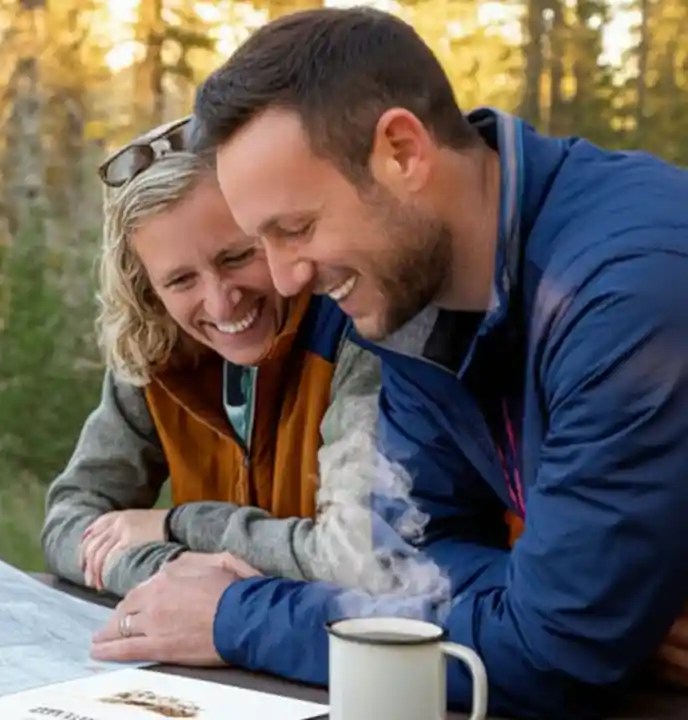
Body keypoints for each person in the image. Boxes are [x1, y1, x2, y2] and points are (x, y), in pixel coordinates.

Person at [88, 8, 688, 719]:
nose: (283, 279)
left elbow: (552, 657)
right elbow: (407, 560)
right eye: (262, 241)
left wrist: (236, 616)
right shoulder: (410, 299)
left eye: (296, 228)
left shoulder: (627, 291)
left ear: (402, 150)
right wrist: (567, 600)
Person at [40, 119, 387, 599]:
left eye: (237, 257)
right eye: (181, 281)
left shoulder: (352, 333)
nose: (222, 303)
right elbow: (70, 523)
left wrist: (183, 524)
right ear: (148, 291)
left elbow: (359, 556)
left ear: (275, 232)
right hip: (213, 653)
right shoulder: (156, 351)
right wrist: (179, 571)